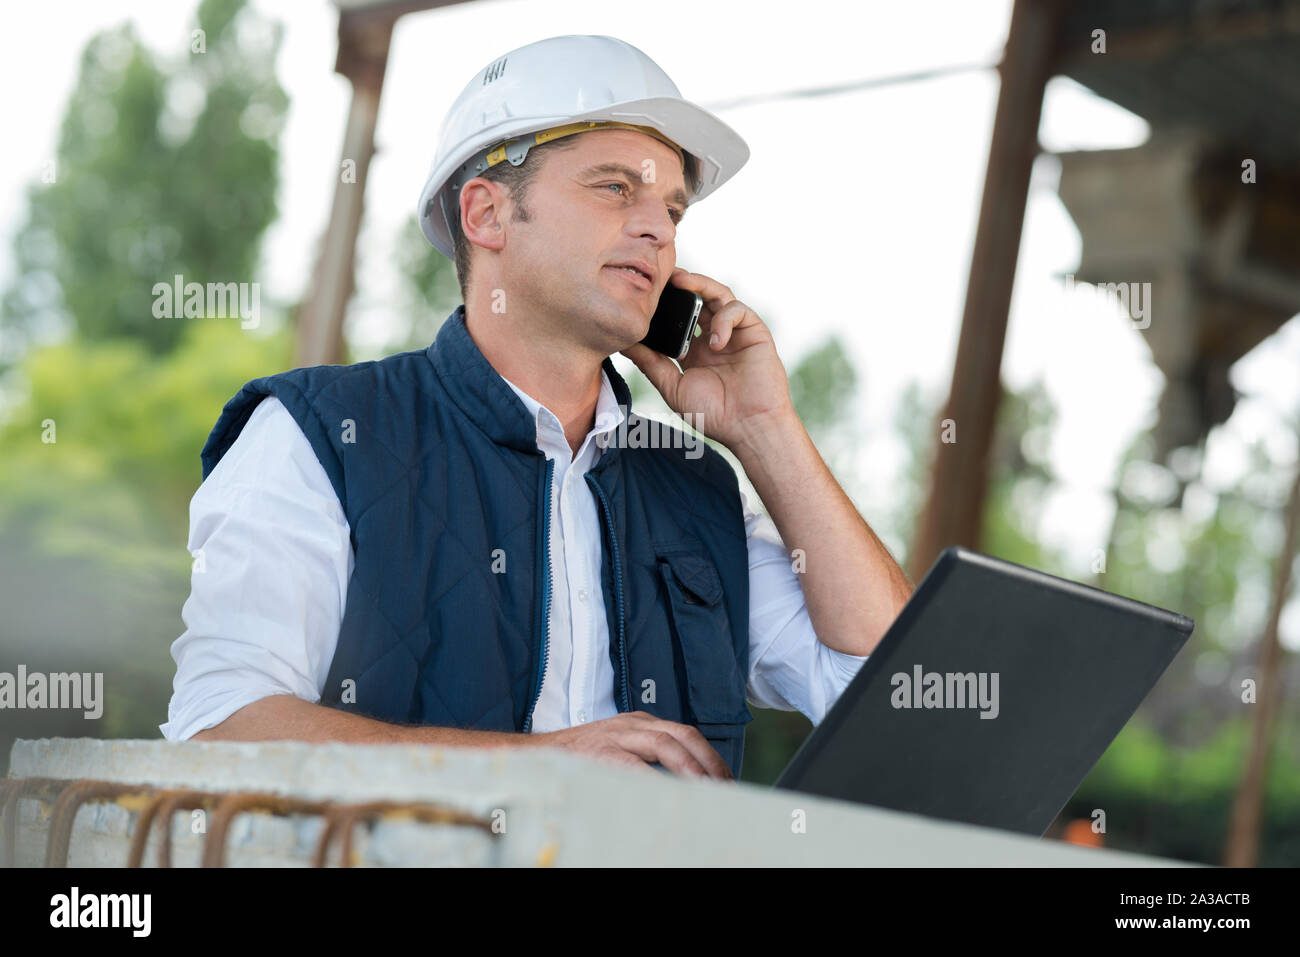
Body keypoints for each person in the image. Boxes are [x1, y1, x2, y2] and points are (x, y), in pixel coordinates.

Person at [161, 34, 913, 781]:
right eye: (616, 187)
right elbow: (221, 726)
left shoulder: (698, 489)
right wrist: (538, 768)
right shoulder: (319, 435)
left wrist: (763, 430)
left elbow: (891, 693)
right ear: (487, 214)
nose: (658, 229)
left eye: (673, 210)